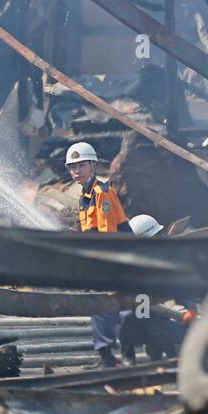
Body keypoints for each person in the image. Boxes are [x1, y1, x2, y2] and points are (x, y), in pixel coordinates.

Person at [66, 142, 131, 367]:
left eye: (81, 166)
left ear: (92, 166)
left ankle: (114, 356)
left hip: (116, 255)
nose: (76, 171)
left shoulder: (101, 194)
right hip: (106, 256)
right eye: (72, 167)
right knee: (105, 306)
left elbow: (107, 233)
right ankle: (109, 356)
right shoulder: (85, 196)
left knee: (106, 305)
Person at [118, 213, 194, 363]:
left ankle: (166, 350)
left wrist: (189, 307)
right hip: (141, 307)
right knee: (135, 320)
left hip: (163, 306)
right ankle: (130, 355)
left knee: (171, 326)